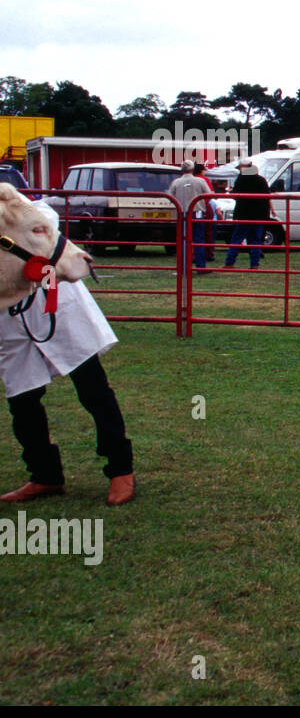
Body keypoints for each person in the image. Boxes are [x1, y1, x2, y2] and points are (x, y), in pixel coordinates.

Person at [0, 201, 135, 505]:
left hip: (55, 304)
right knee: (21, 399)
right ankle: (44, 475)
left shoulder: (15, 203)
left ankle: (120, 470)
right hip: (8, 315)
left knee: (93, 390)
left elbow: (44, 219)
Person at [223, 157, 271, 269]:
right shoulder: (261, 179)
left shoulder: (241, 179)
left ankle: (229, 262)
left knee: (237, 238)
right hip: (259, 215)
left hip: (244, 214)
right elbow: (267, 197)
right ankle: (254, 264)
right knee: (256, 240)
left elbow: (235, 194)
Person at [167, 160, 212, 273]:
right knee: (198, 241)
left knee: (183, 240)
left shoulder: (176, 182)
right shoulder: (200, 181)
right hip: (197, 214)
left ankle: (182, 267)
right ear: (193, 169)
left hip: (182, 214)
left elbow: (169, 197)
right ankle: (201, 267)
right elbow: (210, 194)